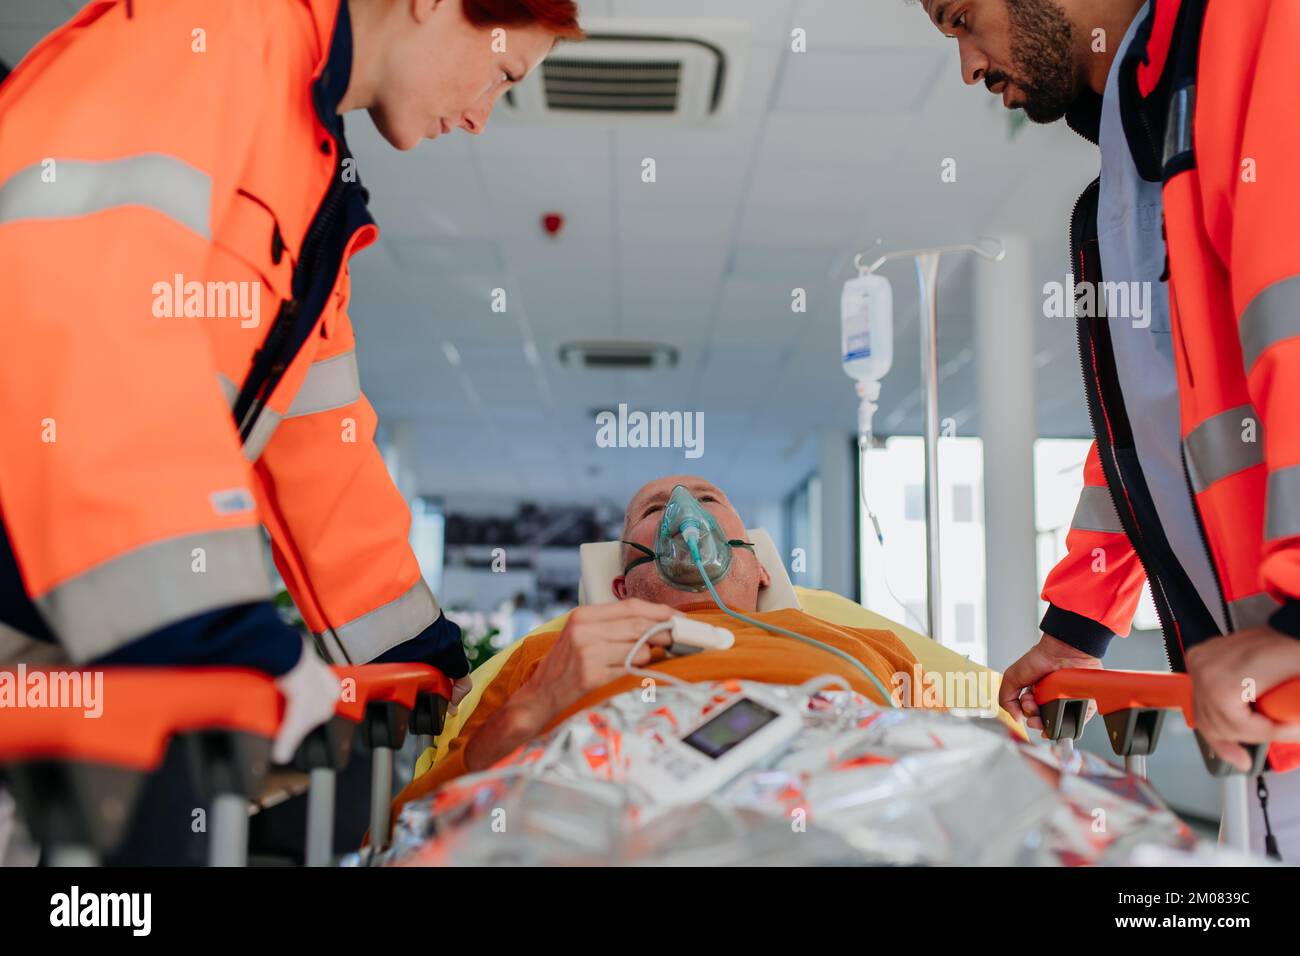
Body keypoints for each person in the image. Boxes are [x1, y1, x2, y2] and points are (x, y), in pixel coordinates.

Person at [0, 0, 582, 763]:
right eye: (502, 75)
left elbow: (320, 440)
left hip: (49, 615)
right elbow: (86, 316)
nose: (481, 117)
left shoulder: (311, 172)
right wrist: (204, 626)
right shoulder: (206, 33)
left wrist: (407, 644)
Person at [916, 0, 1300, 852]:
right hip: (1262, 706)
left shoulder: (1250, 31)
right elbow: (1152, 434)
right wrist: (1078, 629)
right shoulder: (1135, 156)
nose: (970, 66)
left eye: (961, 19)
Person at [390, 475, 920, 814]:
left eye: (709, 499)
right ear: (620, 586)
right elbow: (411, 827)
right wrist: (530, 712)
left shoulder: (872, 649)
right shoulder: (557, 658)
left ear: (760, 566)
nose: (687, 513)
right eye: (653, 510)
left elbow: (968, 765)